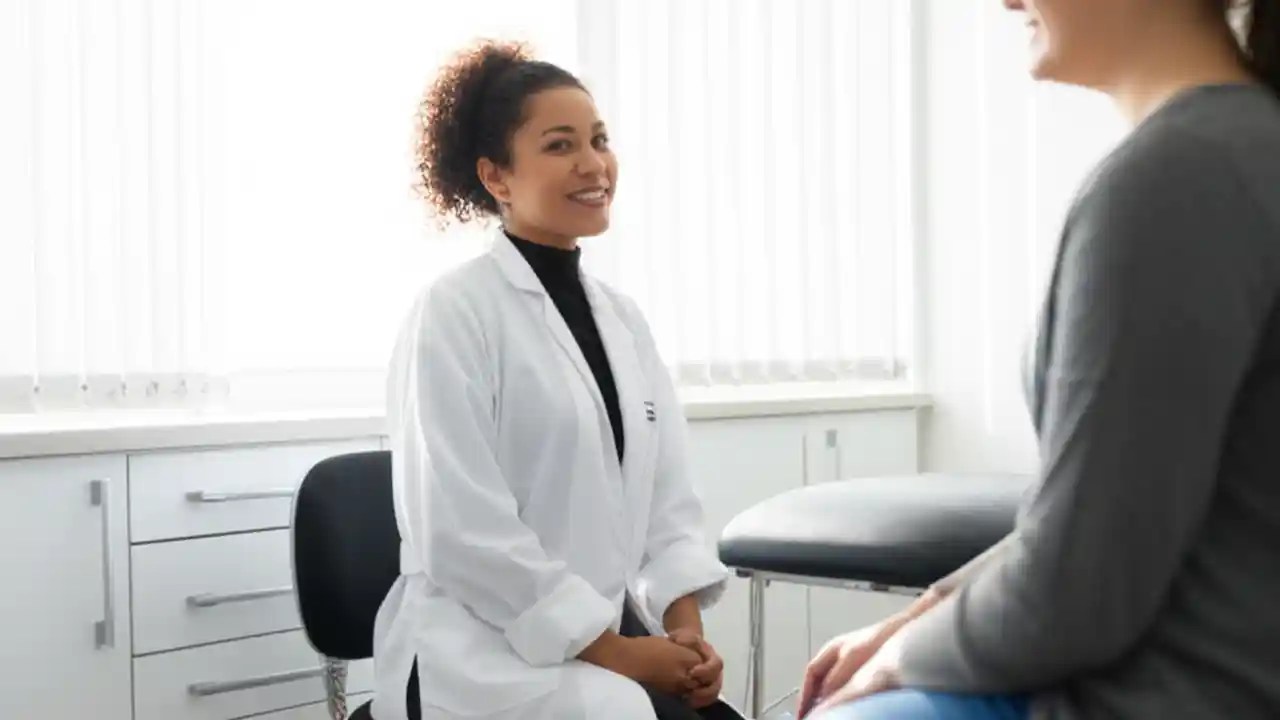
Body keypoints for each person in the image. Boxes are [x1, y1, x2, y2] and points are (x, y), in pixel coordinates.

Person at [798, 1, 1280, 719]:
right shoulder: (1236, 147)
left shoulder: (1181, 177)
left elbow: (1078, 593)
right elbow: (1107, 512)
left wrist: (903, 655)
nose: (1008, 1)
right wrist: (927, 612)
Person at [371, 40, 744, 720]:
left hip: (595, 640)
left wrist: (684, 634)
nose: (593, 164)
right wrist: (626, 654)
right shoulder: (453, 314)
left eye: (599, 140)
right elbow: (464, 534)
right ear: (497, 177)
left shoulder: (623, 322)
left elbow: (669, 505)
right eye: (560, 145)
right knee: (624, 712)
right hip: (479, 653)